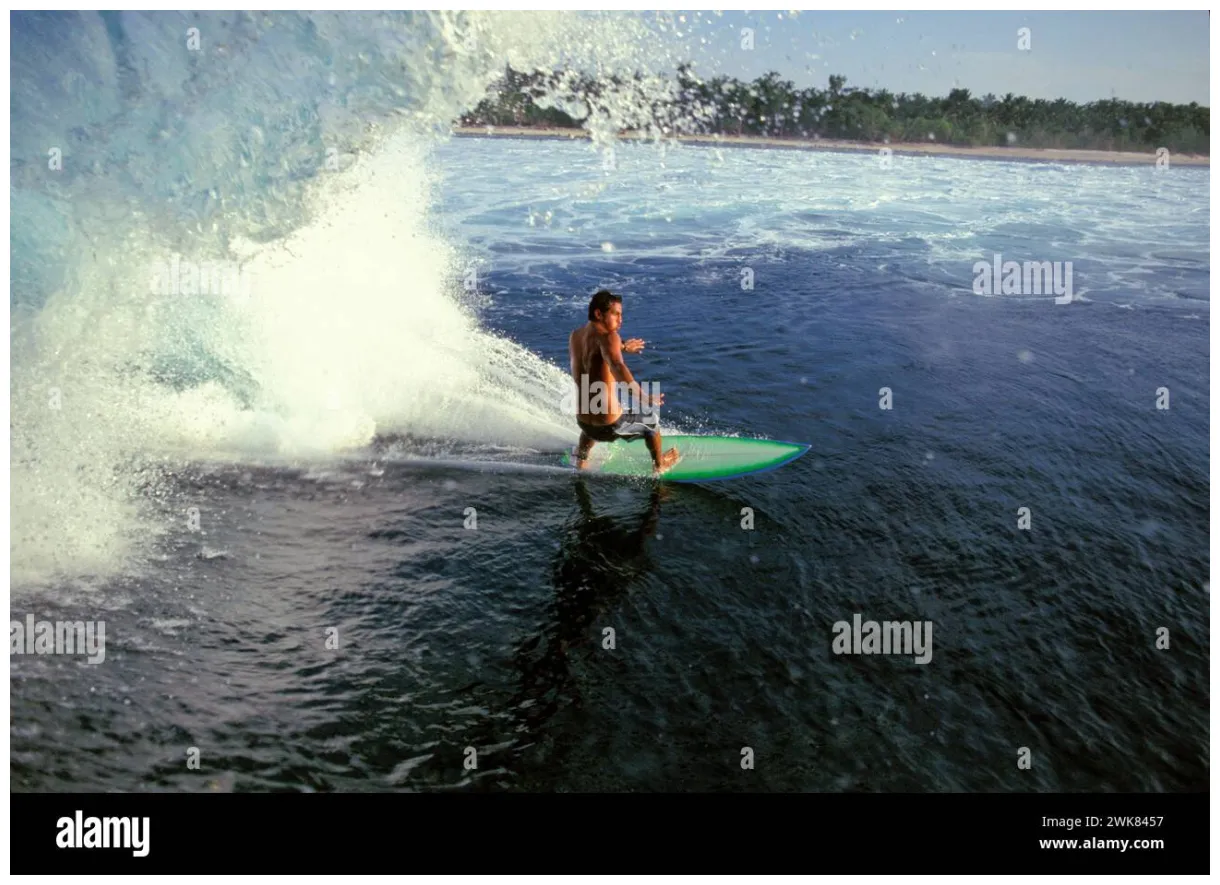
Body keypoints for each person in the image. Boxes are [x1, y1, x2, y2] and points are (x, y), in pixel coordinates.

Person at [568, 289, 679, 475]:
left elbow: (598, 350)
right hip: (610, 426)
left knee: (591, 420)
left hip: (583, 423)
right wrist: (642, 396)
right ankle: (659, 465)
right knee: (651, 422)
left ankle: (581, 458)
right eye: (616, 314)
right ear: (598, 314)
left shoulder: (575, 336)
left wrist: (623, 347)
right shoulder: (610, 337)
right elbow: (617, 366)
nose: (621, 320)